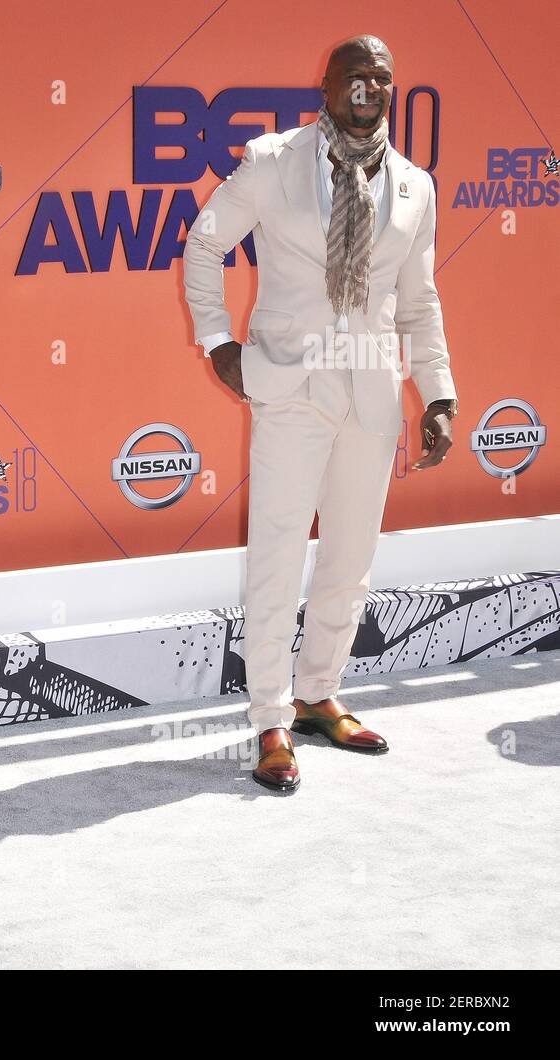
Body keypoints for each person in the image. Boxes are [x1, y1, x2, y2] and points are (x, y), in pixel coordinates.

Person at [182, 36, 458, 793]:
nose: (369, 88)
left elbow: (419, 299)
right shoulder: (274, 164)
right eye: (355, 76)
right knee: (276, 554)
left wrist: (436, 392)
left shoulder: (413, 187)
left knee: (349, 558)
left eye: (382, 78)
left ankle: (318, 696)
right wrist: (218, 343)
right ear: (326, 84)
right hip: (291, 389)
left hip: (371, 394)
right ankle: (270, 718)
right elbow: (204, 246)